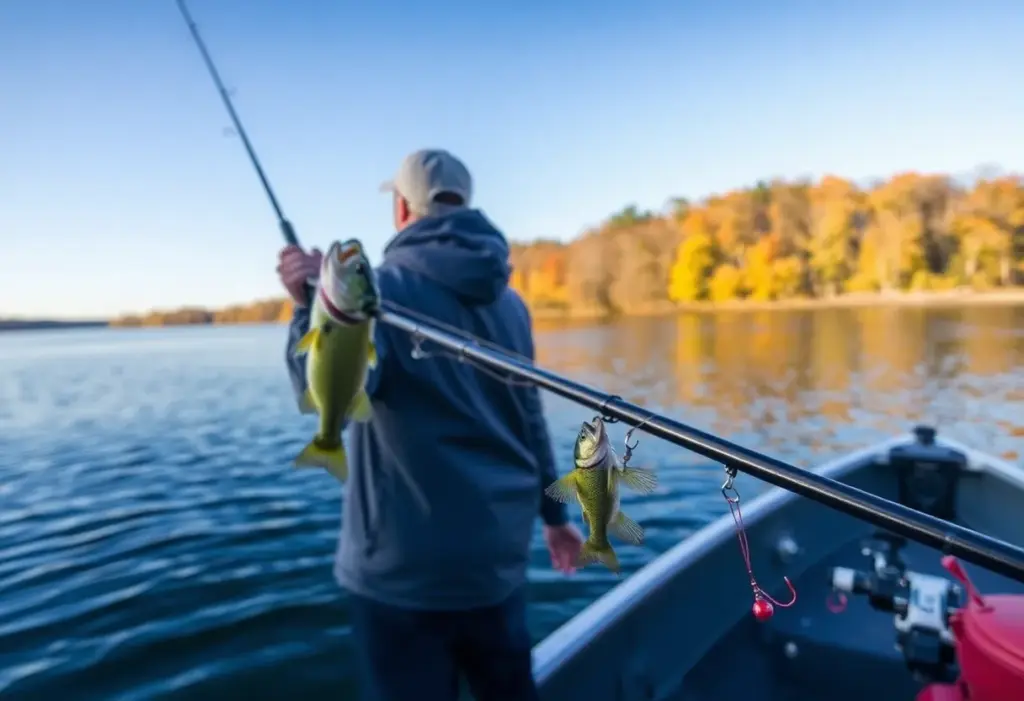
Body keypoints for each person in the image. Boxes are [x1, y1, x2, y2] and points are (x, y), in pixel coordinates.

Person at [276, 148, 584, 701]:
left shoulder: (382, 293)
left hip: (403, 575)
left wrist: (307, 308)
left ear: (401, 208)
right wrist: (555, 515)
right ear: (463, 203)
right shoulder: (512, 305)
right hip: (497, 561)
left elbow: (332, 402)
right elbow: (531, 415)